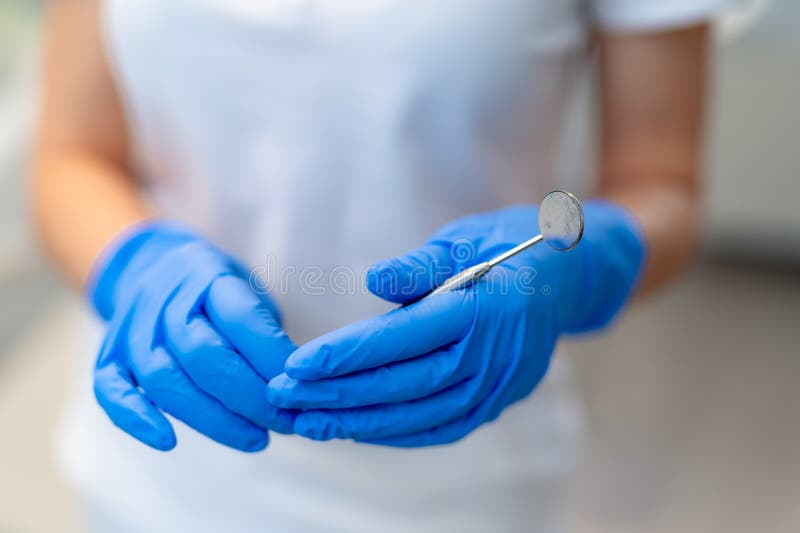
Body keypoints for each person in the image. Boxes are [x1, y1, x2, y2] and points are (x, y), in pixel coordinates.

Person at [31, 0, 729, 531]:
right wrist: (137, 264)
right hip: (159, 475)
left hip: (459, 487)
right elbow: (72, 153)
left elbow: (660, 178)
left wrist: (579, 263)